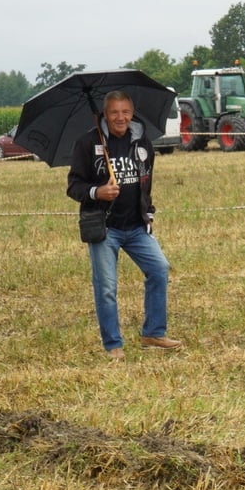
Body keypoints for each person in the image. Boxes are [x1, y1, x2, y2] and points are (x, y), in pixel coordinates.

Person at [66, 90, 183, 361]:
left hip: (137, 227)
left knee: (159, 269)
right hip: (105, 229)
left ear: (132, 113)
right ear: (104, 115)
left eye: (126, 112)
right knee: (106, 287)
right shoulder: (87, 143)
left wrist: (149, 214)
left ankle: (153, 333)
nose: (121, 118)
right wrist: (97, 192)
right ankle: (113, 345)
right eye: (114, 112)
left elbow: (146, 183)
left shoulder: (142, 143)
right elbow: (74, 186)